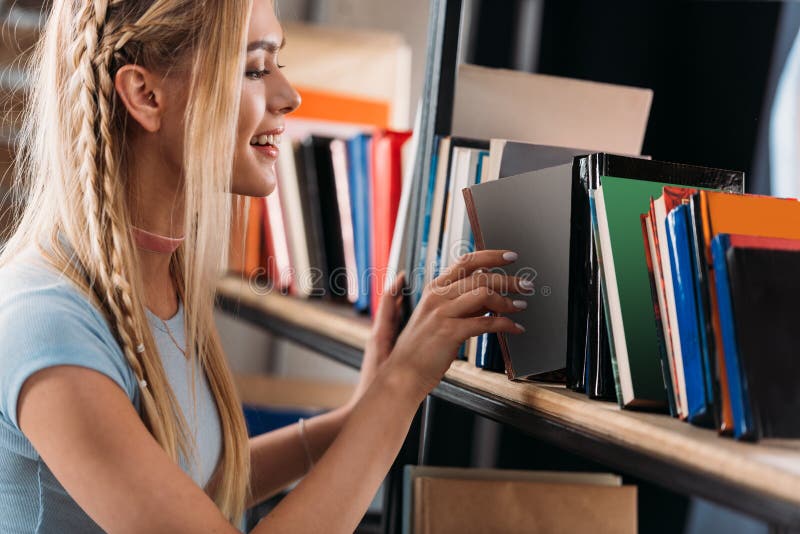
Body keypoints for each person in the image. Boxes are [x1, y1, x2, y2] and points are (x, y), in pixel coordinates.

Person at [0, 0, 528, 532]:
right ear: (145, 94)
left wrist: (359, 413)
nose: (289, 95)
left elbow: (191, 486)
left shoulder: (158, 278)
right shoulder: (47, 322)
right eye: (255, 68)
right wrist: (403, 385)